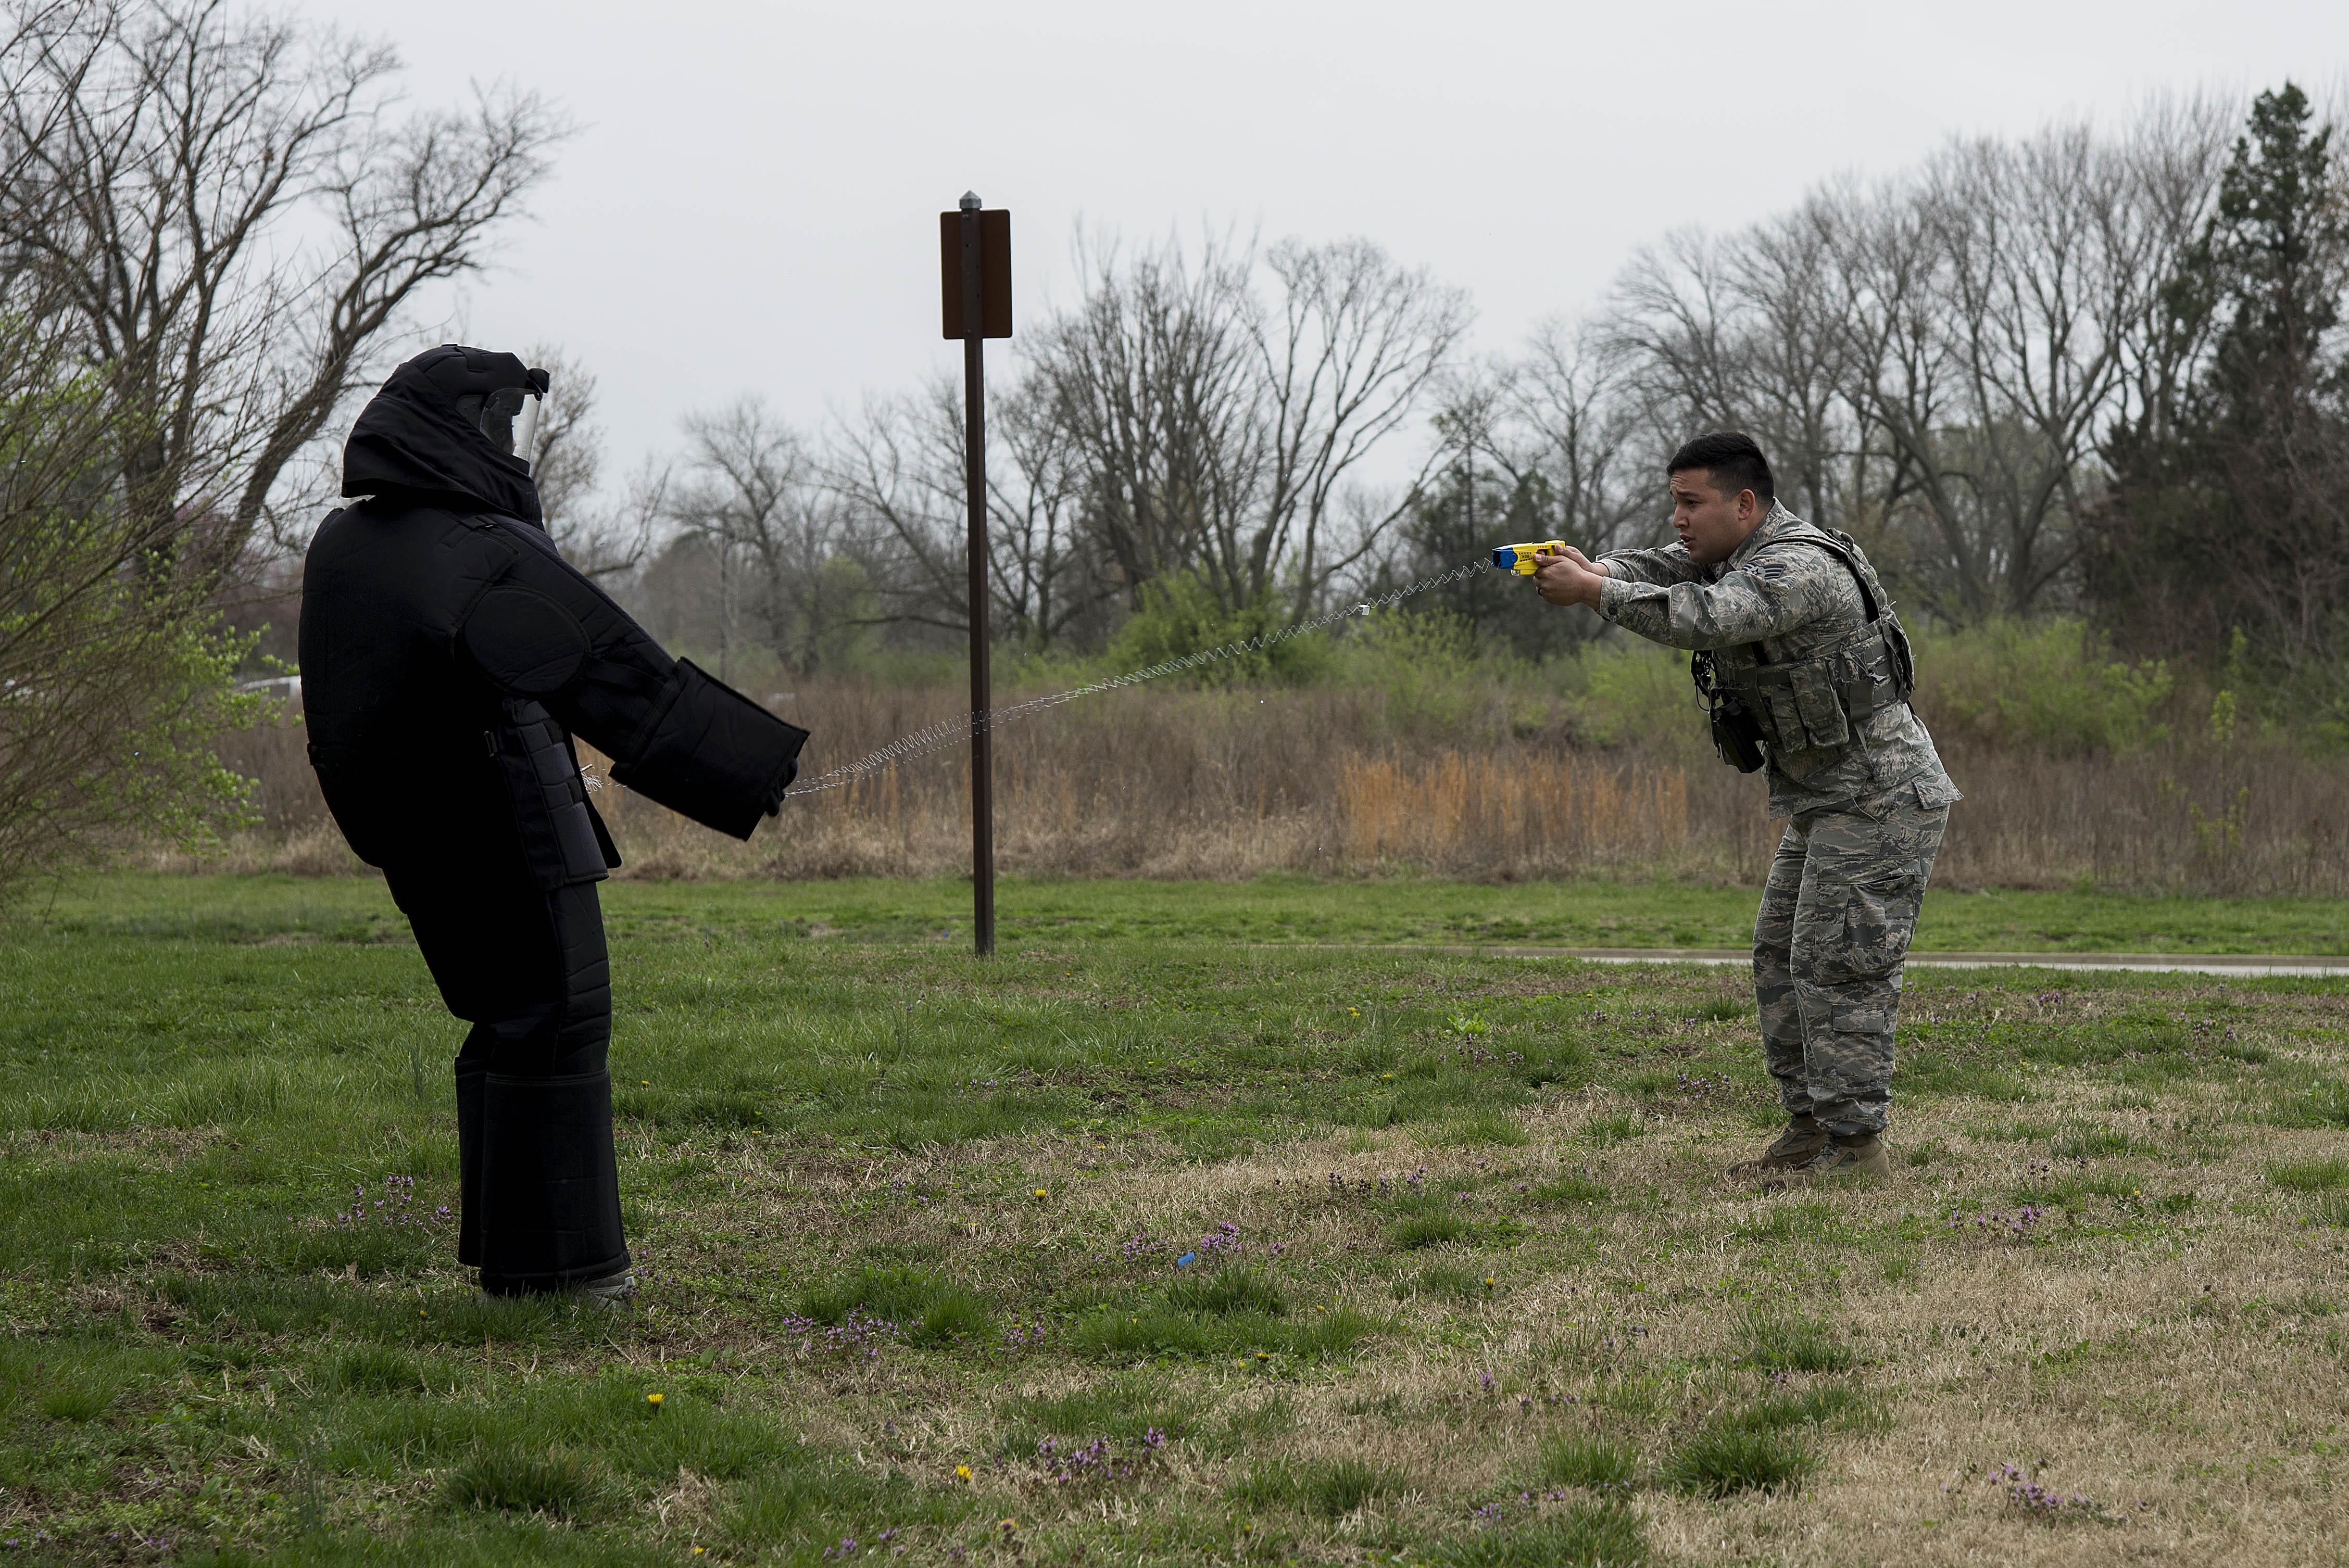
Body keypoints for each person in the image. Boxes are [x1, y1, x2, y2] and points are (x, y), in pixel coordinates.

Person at [299, 345, 810, 1298]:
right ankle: (560, 1275)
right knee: (556, 1016)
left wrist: (387, 830)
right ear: (459, 428)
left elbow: (341, 717)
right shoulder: (479, 548)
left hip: (419, 838)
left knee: (507, 1020)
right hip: (512, 826)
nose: (509, 442)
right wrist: (748, 774)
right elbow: (615, 673)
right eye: (497, 421)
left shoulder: (343, 548)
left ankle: (514, 1257)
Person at [1532, 432, 1958, 1185]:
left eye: (1691, 503)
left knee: (1838, 964)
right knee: (1779, 954)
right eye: (1675, 503)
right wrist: (1594, 567)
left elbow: (1707, 616)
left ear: (1746, 504)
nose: (1680, 520)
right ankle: (1810, 1129)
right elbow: (1665, 570)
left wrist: (1596, 592)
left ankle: (1857, 1150)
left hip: (1881, 795)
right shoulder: (1737, 553)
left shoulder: (1797, 568)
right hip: (1828, 797)